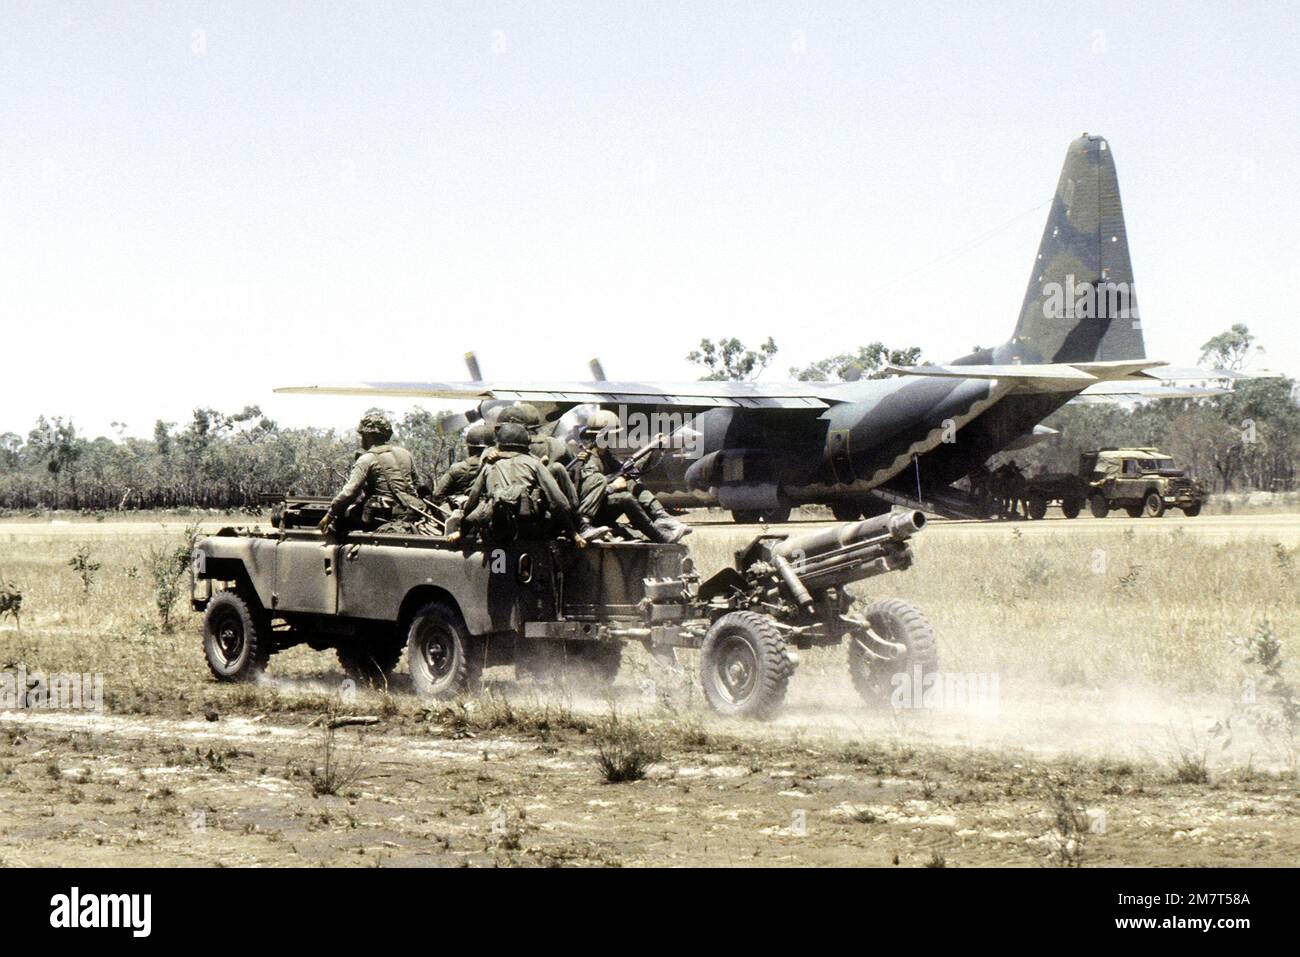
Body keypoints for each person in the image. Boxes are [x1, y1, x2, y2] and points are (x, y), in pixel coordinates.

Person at [455, 422, 606, 545]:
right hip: (531, 532)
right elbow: (559, 503)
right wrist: (573, 532)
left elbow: (472, 501)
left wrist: (462, 531)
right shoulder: (534, 464)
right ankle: (583, 525)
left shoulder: (489, 465)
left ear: (499, 444)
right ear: (526, 444)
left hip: (496, 531)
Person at [575, 409, 692, 543]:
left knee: (630, 481)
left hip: (602, 508)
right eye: (613, 435)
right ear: (604, 436)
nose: (616, 438)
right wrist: (613, 486)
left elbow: (628, 470)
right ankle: (661, 536)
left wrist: (653, 447)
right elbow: (588, 496)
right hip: (591, 516)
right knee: (626, 498)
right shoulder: (588, 460)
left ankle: (661, 516)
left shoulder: (605, 455)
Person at [318, 413, 428, 534]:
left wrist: (330, 515)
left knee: (341, 523)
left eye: (362, 435)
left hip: (385, 517)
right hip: (412, 512)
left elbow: (350, 493)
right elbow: (418, 486)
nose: (361, 439)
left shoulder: (366, 459)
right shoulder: (405, 453)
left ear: (368, 436)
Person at [431, 421, 490, 507]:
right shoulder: (497, 467)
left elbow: (437, 494)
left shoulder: (457, 468)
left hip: (460, 512)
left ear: (469, 448)